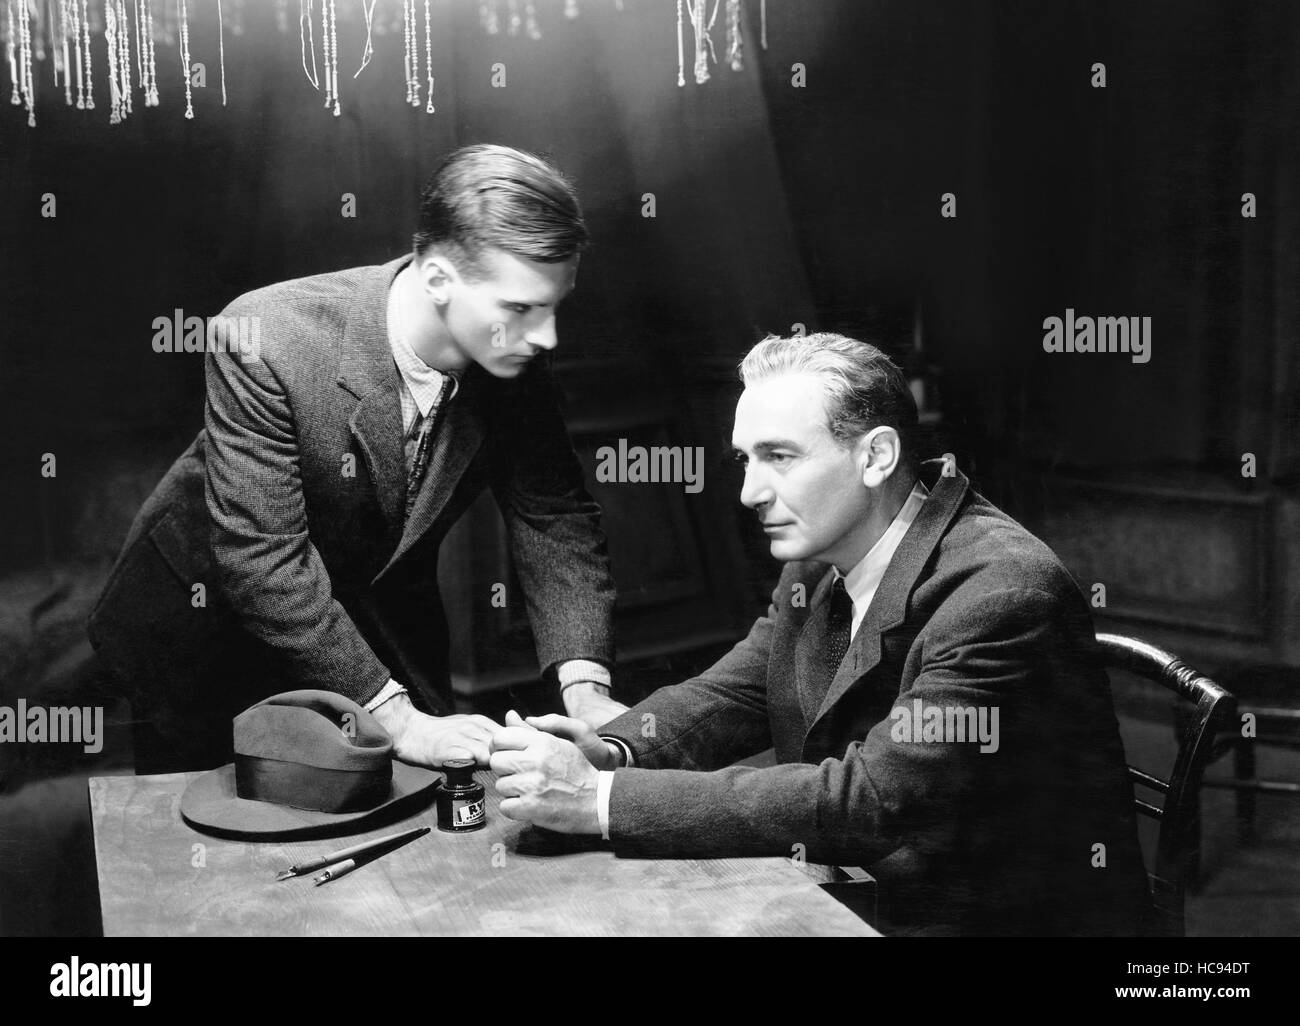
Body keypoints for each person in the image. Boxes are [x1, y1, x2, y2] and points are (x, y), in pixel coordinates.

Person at [489, 331, 1153, 936]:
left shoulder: (1004, 594)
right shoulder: (822, 555)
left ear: (876, 457)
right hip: (869, 893)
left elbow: (870, 799)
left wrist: (597, 799)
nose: (750, 491)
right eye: (746, 459)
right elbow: (738, 693)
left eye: (780, 456)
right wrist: (615, 750)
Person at [88, 144, 624, 773]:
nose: (546, 336)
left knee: (429, 818)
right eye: (520, 308)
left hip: (376, 618)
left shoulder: (515, 354)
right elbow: (262, 560)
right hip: (205, 626)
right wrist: (397, 718)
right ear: (438, 281)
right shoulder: (262, 337)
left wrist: (587, 691)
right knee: (218, 841)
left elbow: (554, 516)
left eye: (554, 306)